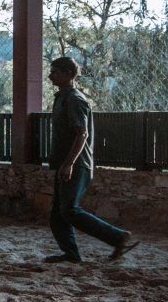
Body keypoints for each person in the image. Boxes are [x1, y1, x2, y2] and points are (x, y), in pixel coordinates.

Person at [45, 56, 139, 263]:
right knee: (58, 215)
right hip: (68, 163)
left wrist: (69, 163)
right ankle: (71, 254)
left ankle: (118, 237)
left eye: (55, 72)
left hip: (76, 163)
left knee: (69, 210)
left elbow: (82, 133)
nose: (50, 75)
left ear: (68, 74)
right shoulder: (63, 97)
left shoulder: (74, 100)